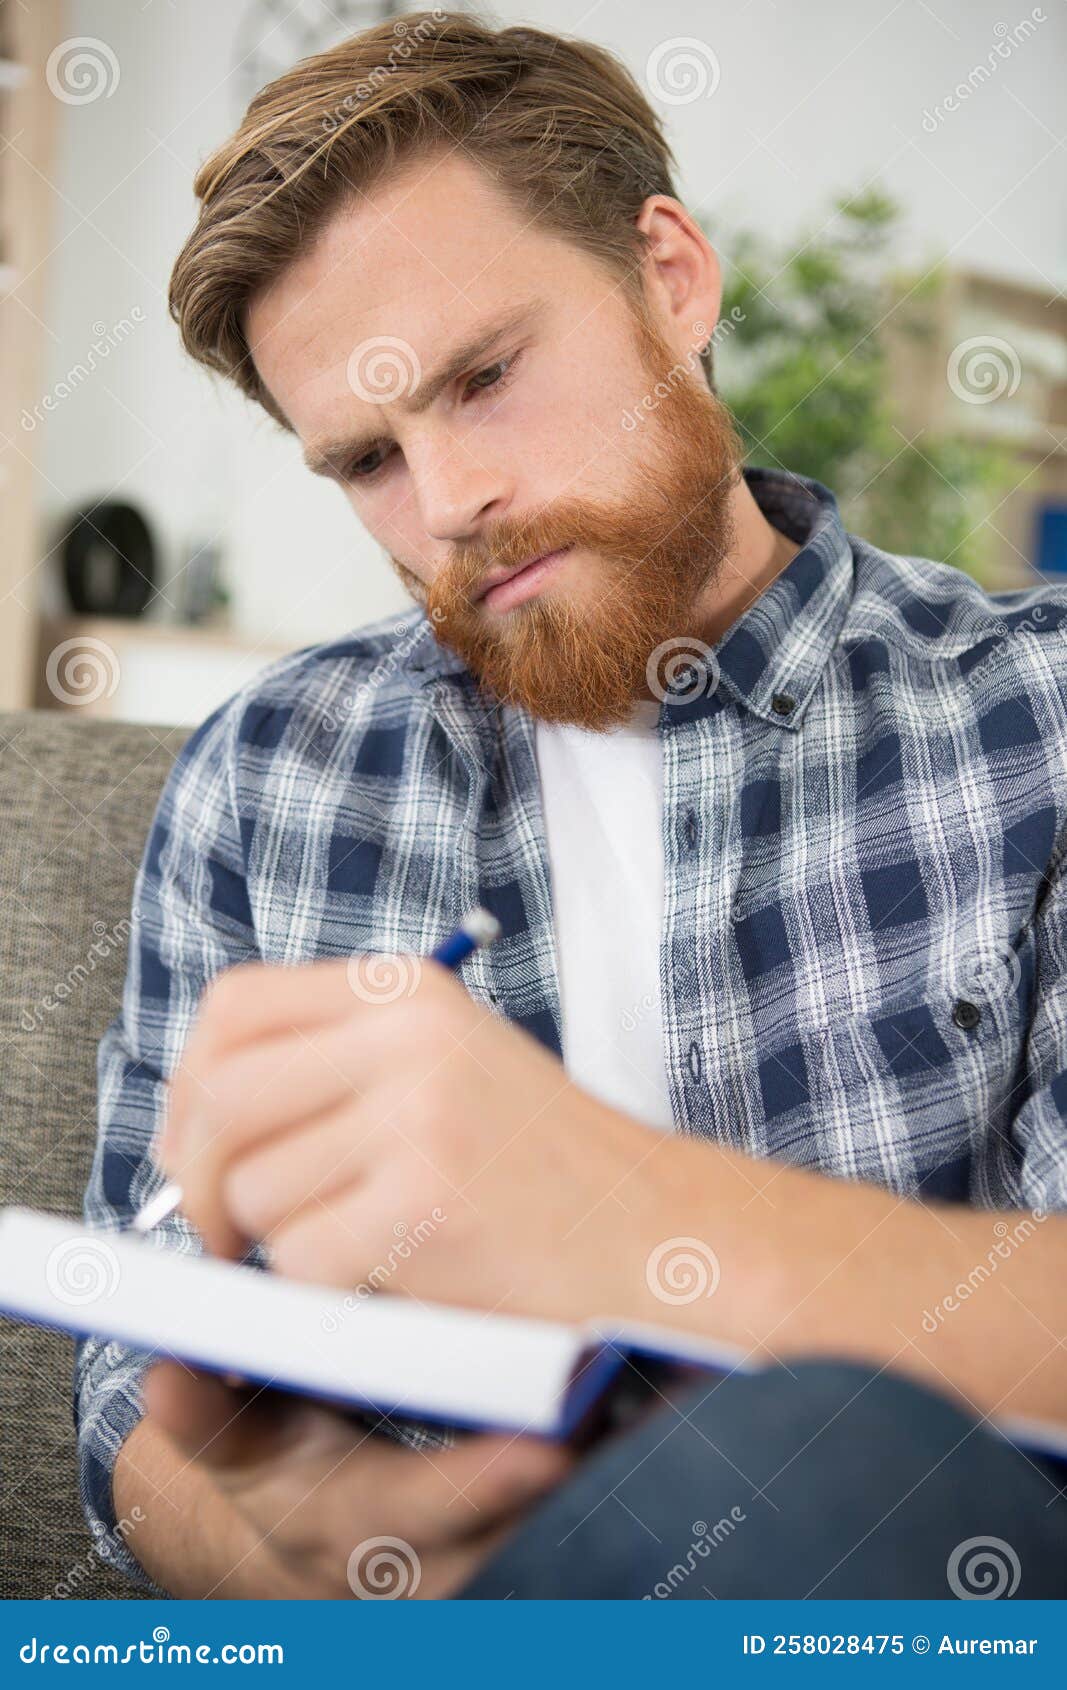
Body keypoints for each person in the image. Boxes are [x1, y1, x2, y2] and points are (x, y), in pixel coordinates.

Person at [75, 10, 1067, 1598]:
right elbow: (135, 1374)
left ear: (670, 279)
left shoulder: (1039, 716)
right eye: (366, 459)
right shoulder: (268, 779)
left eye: (483, 378)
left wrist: (598, 1205)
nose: (449, 501)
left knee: (828, 1471)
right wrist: (276, 1555)